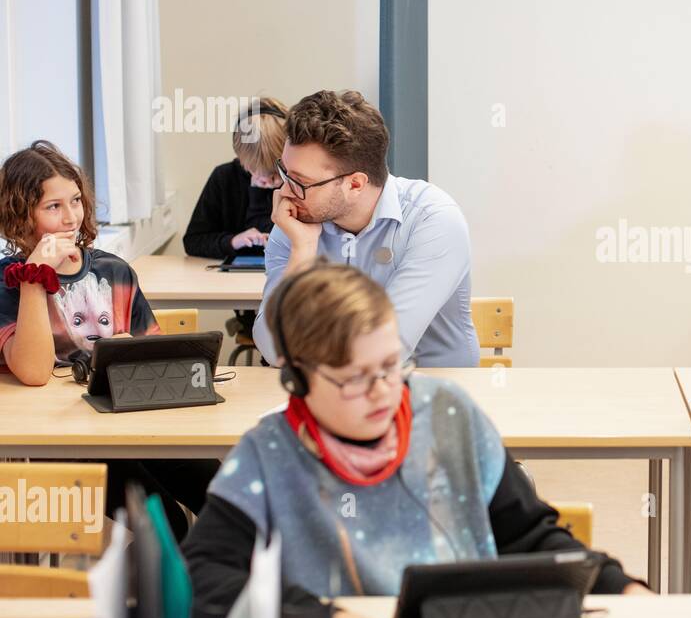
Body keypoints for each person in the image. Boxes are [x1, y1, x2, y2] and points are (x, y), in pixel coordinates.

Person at [184, 263, 648, 618]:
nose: (383, 391)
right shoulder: (268, 454)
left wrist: (616, 584)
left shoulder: (448, 412)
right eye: (354, 378)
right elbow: (202, 574)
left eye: (390, 365)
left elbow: (525, 535)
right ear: (297, 378)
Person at [0, 141, 217, 538]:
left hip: (128, 424)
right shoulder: (9, 283)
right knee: (164, 522)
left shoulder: (113, 271)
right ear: (20, 217)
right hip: (64, 440)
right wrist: (34, 278)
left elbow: (157, 361)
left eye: (76, 201)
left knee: (220, 493)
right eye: (53, 207)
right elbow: (33, 372)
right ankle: (165, 592)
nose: (71, 218)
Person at [251, 90, 479, 367]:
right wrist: (303, 250)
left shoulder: (434, 220)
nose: (283, 190)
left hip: (430, 394)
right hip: (334, 395)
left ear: (355, 184)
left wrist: (302, 346)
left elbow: (383, 352)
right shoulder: (296, 222)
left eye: (299, 181)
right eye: (284, 172)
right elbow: (274, 351)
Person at [183, 96, 287, 337]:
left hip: (291, 294)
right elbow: (193, 240)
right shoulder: (224, 178)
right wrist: (233, 241)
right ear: (241, 158)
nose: (265, 182)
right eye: (254, 172)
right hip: (245, 299)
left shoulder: (300, 181)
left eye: (274, 174)